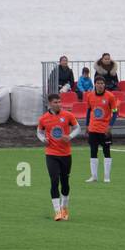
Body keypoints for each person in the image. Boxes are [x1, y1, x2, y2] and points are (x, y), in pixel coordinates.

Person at [36, 92, 80, 220]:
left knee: (65, 183)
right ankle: (57, 212)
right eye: (55, 102)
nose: (58, 104)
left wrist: (70, 136)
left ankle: (64, 208)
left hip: (66, 154)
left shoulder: (68, 115)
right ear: (50, 104)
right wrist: (42, 139)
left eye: (59, 102)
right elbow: (38, 131)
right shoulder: (43, 118)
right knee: (54, 181)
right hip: (51, 154)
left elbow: (77, 128)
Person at [84, 75, 119, 183]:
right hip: (93, 128)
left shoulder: (110, 96)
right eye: (98, 83)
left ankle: (107, 177)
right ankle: (94, 176)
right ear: (95, 84)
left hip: (105, 129)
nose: (100, 85)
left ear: (105, 85)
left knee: (106, 151)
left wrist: (110, 126)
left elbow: (115, 112)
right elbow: (89, 111)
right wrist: (87, 125)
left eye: (102, 83)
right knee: (93, 151)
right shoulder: (90, 96)